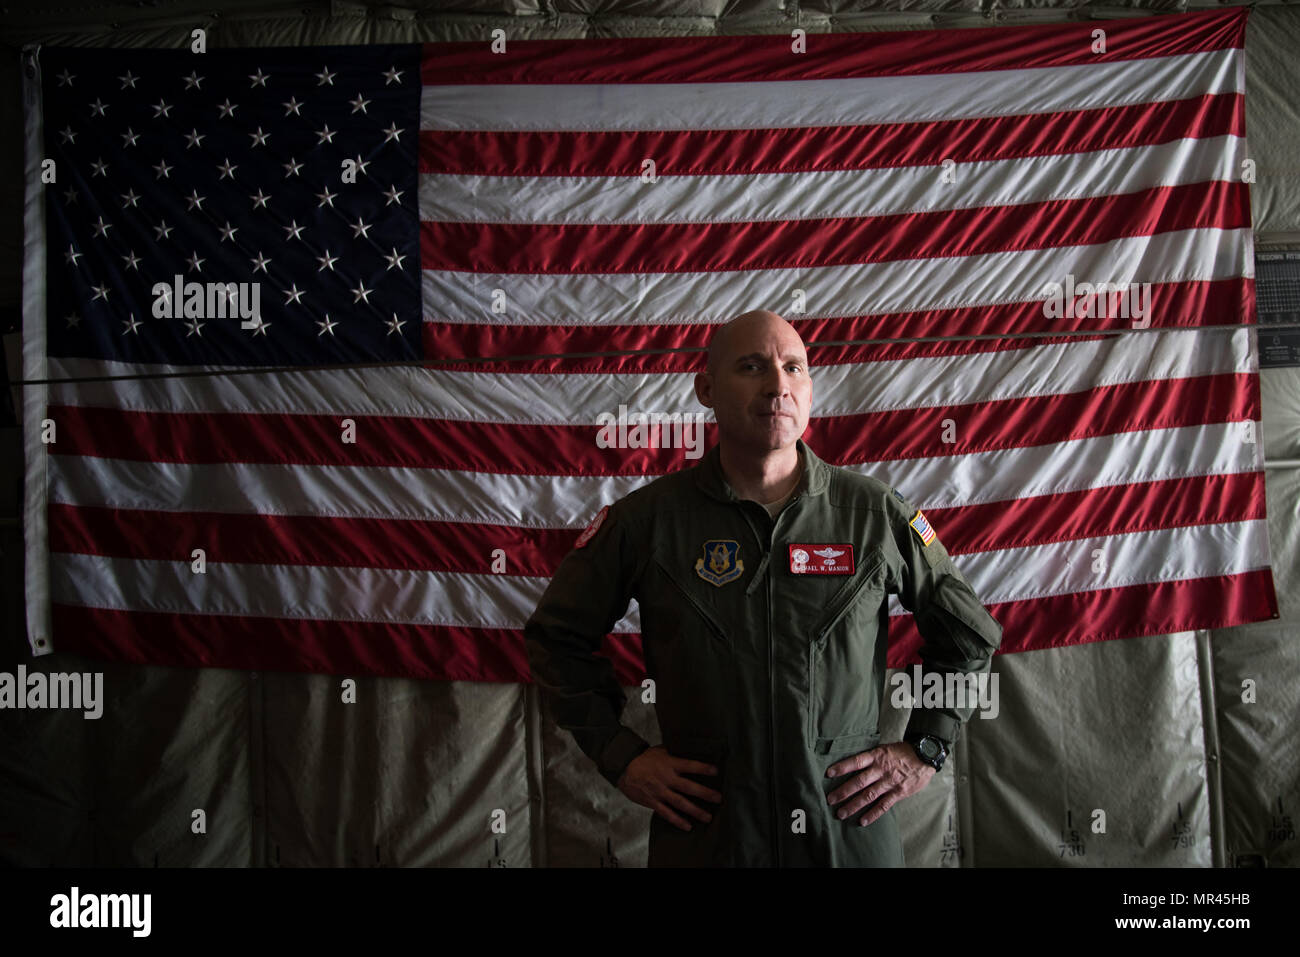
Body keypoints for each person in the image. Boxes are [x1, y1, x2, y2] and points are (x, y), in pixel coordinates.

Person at [524, 309, 1002, 866]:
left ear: (809, 389)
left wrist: (924, 749)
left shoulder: (873, 515)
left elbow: (969, 638)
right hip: (710, 839)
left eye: (793, 368)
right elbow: (556, 638)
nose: (777, 385)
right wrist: (620, 755)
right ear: (706, 388)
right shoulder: (649, 522)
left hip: (844, 835)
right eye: (752, 367)